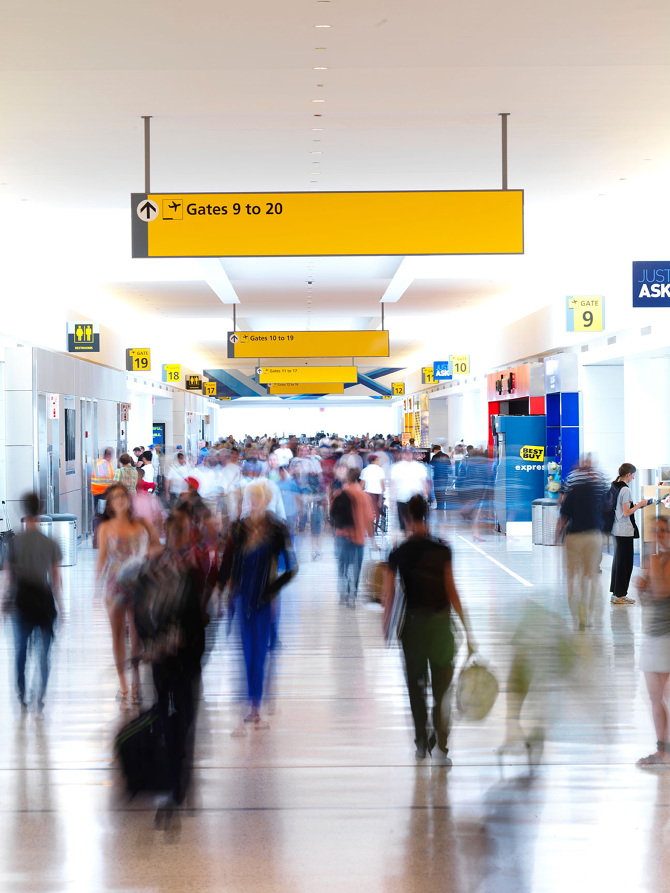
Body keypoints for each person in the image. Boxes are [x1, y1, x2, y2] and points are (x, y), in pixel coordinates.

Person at [382, 495, 474, 764]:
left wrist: (386, 628)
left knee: (416, 686)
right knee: (442, 691)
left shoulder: (397, 553)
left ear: (408, 516)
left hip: (412, 629)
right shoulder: (442, 550)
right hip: (441, 627)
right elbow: (452, 591)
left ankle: (421, 740)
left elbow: (387, 596)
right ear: (427, 515)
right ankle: (441, 746)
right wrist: (468, 631)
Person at [134, 508, 207, 825]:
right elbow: (141, 615)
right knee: (174, 721)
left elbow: (196, 620)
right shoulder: (155, 572)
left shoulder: (187, 571)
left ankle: (180, 785)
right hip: (170, 660)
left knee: (180, 721)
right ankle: (177, 785)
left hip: (178, 659)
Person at [217, 481, 297, 729]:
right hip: (243, 597)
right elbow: (229, 562)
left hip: (265, 599)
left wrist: (273, 592)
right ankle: (251, 701)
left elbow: (292, 567)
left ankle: (255, 706)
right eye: (251, 498)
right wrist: (222, 590)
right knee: (246, 652)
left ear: (267, 500)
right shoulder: (239, 529)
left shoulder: (276, 530)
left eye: (258, 498)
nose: (253, 502)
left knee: (260, 651)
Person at [97, 482, 160, 708]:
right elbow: (102, 559)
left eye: (122, 496)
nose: (120, 500)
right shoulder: (105, 528)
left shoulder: (141, 524)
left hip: (139, 584)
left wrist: (146, 555)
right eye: (114, 498)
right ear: (110, 504)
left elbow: (157, 546)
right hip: (115, 586)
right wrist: (96, 588)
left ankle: (135, 684)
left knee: (136, 637)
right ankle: (123, 686)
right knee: (117, 637)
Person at [3, 493, 63, 713]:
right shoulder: (51, 543)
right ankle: (40, 696)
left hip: (21, 603)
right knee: (44, 653)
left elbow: (9, 577)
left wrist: (4, 603)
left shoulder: (15, 542)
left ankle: (22, 695)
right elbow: (56, 579)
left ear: (23, 511)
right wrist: (62, 608)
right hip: (44, 603)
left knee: (20, 651)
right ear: (41, 510)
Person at [556, 459, 607, 629]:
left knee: (572, 577)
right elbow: (608, 510)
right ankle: (589, 616)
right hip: (594, 536)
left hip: (574, 537)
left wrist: (556, 536)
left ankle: (578, 615)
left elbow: (563, 513)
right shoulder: (600, 487)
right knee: (592, 577)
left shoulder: (573, 486)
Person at [636, 518, 670, 767]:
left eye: (663, 531)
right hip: (653, 634)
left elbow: (662, 591)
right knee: (655, 697)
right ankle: (662, 750)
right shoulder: (653, 561)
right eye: (655, 530)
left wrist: (653, 567)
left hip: (667, 637)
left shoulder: (661, 562)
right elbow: (648, 600)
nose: (658, 535)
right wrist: (640, 588)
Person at [610, 462, 652, 605]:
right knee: (625, 564)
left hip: (616, 529)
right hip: (624, 531)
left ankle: (616, 593)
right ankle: (620, 595)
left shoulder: (614, 485)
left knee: (618, 562)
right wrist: (640, 505)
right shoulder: (626, 490)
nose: (634, 478)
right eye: (633, 475)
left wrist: (636, 506)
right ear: (628, 474)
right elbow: (627, 512)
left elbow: (620, 509)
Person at [333, 468, 376, 607]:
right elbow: (369, 520)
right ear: (360, 479)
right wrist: (372, 540)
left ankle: (343, 595)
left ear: (347, 479)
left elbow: (333, 515)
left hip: (341, 535)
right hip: (358, 537)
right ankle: (352, 595)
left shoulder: (340, 493)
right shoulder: (364, 496)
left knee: (342, 566)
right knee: (355, 567)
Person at [391, 448, 430, 532]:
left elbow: (424, 483)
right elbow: (393, 485)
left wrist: (426, 497)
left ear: (413, 454)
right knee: (404, 526)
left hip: (416, 500)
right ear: (402, 454)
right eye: (405, 452)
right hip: (401, 499)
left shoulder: (420, 467)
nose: (407, 454)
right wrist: (391, 500)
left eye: (409, 452)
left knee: (416, 524)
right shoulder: (396, 467)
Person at [360, 454, 386, 533]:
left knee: (368, 511)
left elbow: (362, 485)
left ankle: (369, 528)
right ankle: (375, 530)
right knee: (377, 512)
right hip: (377, 494)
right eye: (378, 460)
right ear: (373, 461)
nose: (379, 462)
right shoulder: (380, 470)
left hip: (367, 494)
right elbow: (382, 485)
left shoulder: (365, 470)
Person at [91, 447, 114, 522]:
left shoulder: (98, 462)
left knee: (99, 511)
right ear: (109, 455)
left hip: (97, 491)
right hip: (103, 491)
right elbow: (108, 479)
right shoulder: (105, 464)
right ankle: (100, 528)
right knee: (101, 513)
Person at [430, 444, 453, 512]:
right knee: (443, 492)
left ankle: (439, 506)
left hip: (437, 476)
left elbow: (432, 465)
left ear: (435, 450)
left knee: (437, 492)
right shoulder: (446, 456)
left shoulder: (435, 456)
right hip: (445, 476)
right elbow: (449, 466)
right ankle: (442, 506)